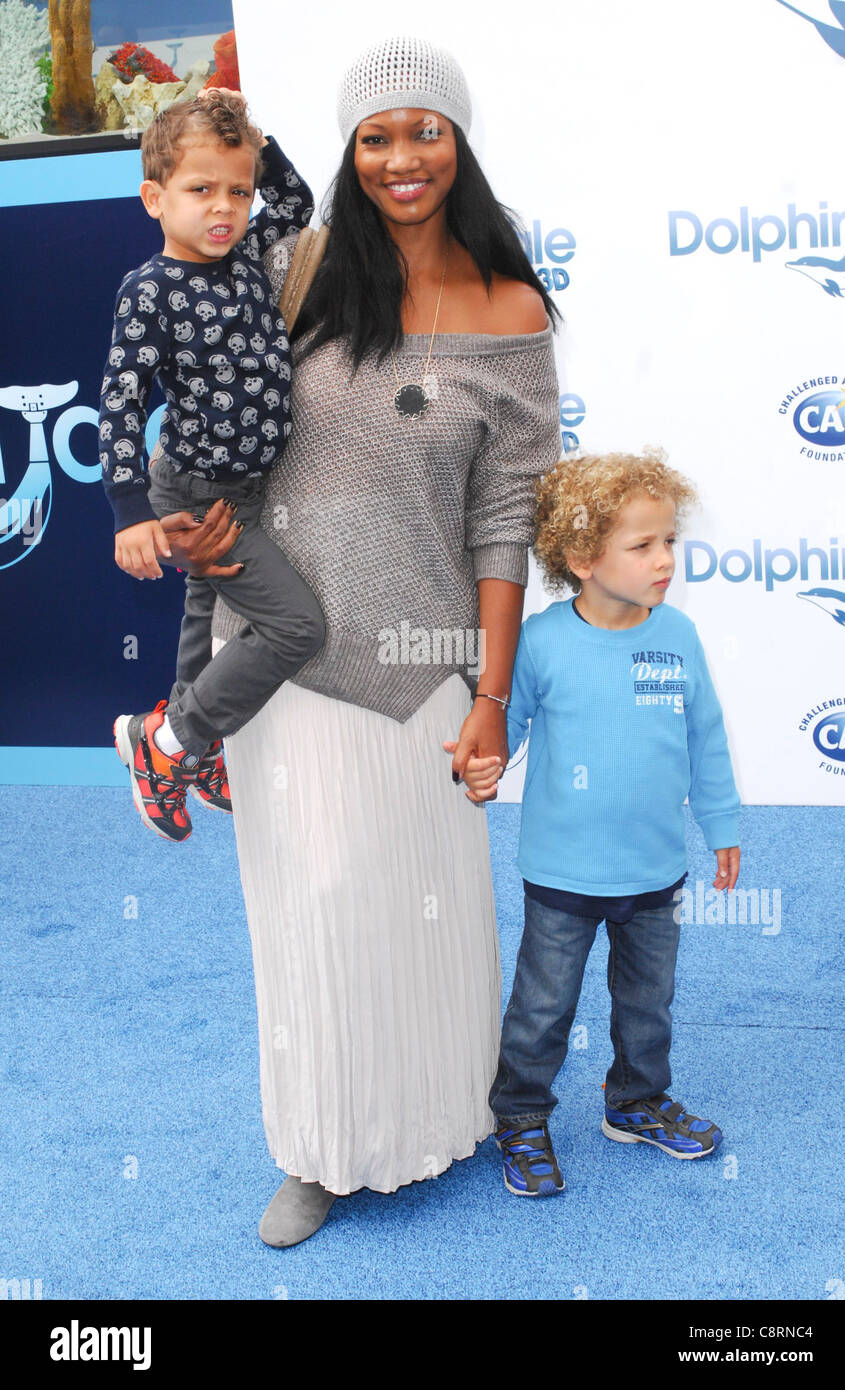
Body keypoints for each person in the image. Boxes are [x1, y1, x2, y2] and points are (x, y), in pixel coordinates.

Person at [167, 35, 561, 1244]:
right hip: (284, 657)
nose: (402, 158)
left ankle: (446, 1113)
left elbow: (505, 517)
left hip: (429, 666)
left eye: (423, 129)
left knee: (432, 903)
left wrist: (491, 694)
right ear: (345, 151)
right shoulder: (288, 270)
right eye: (375, 136)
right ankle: (322, 1147)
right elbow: (194, 405)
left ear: (459, 141)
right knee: (313, 908)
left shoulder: (511, 307)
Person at [461, 449, 741, 1196]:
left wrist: (722, 826)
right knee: (542, 1005)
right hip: (561, 874)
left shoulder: (676, 637)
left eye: (669, 542)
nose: (664, 561)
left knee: (647, 1001)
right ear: (582, 557)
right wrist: (484, 767)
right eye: (642, 545)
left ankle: (637, 1101)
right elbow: (505, 727)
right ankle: (520, 1116)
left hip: (654, 871)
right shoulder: (542, 641)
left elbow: (704, 738)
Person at [100, 91, 325, 843]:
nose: (224, 208)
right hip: (199, 492)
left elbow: (294, 201)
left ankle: (189, 742)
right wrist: (131, 513)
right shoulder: (150, 289)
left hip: (247, 488)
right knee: (295, 627)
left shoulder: (251, 255)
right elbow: (122, 403)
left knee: (204, 624)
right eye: (201, 191)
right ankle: (170, 746)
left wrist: (257, 141)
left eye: (237, 190)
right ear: (154, 199)